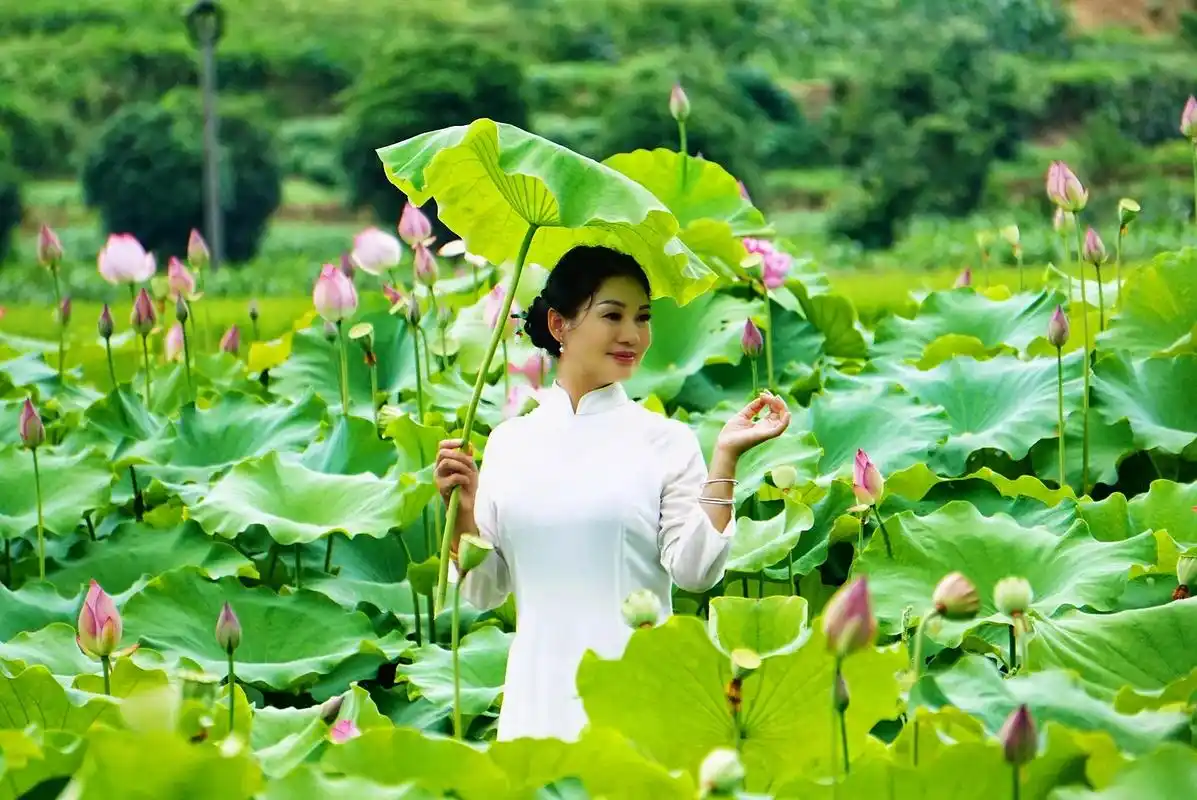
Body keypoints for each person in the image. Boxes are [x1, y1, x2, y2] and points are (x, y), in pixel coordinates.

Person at [434, 244, 790, 742]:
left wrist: (725, 460)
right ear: (560, 327)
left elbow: (695, 572)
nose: (633, 335)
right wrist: (464, 510)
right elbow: (484, 588)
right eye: (612, 315)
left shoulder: (666, 441)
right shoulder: (509, 443)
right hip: (536, 698)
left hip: (638, 696)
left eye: (642, 318)